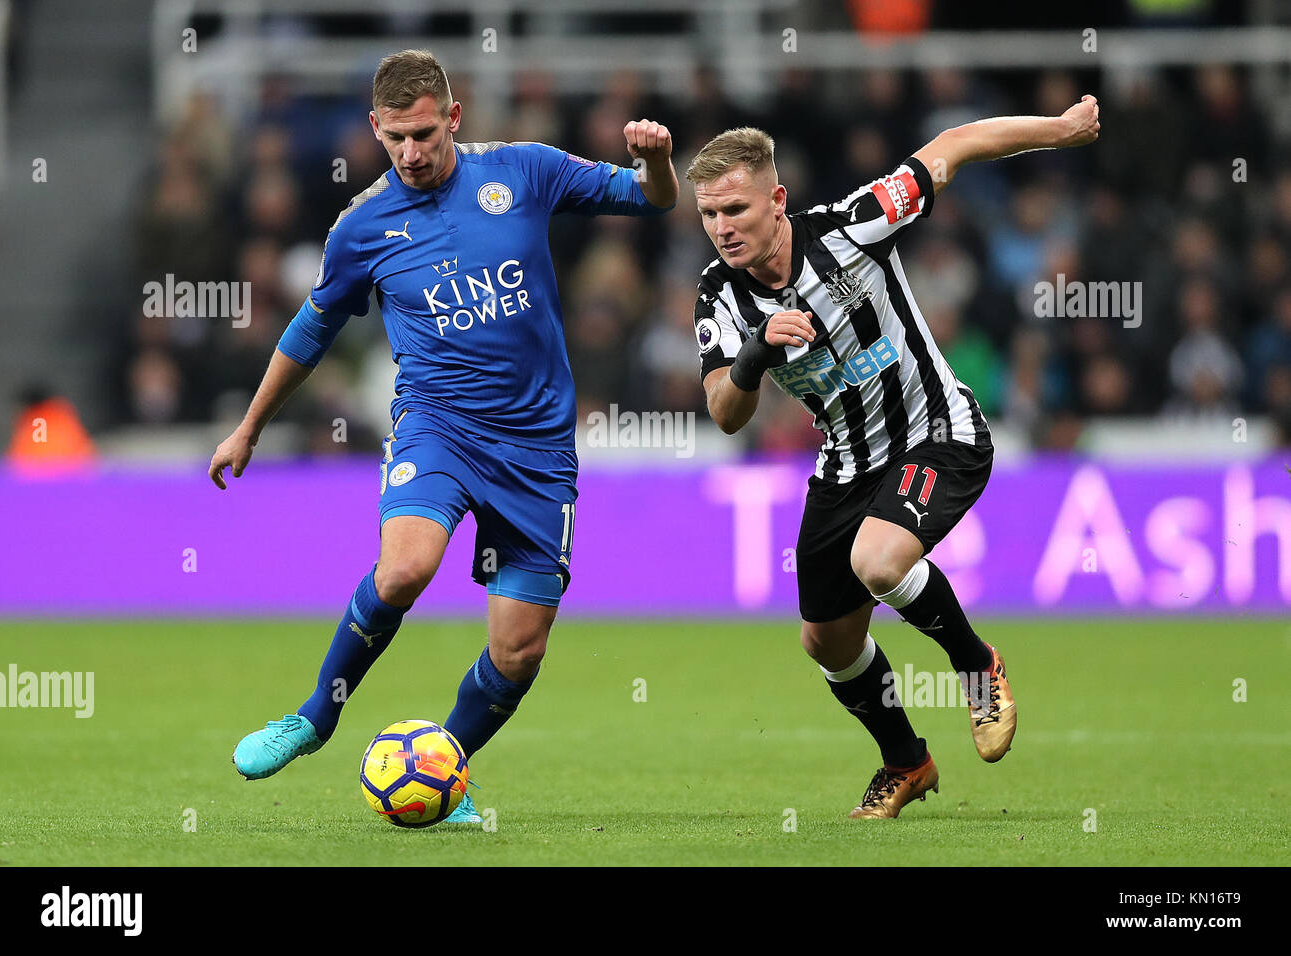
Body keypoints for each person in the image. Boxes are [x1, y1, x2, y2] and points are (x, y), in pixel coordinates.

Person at [209, 49, 677, 823]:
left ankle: (445, 768)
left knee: (519, 650)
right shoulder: (361, 227)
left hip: (537, 450)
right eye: (395, 138)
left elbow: (651, 201)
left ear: (453, 118)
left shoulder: (524, 171)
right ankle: (313, 717)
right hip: (439, 428)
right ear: (374, 129)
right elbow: (310, 329)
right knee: (404, 572)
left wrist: (658, 163)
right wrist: (249, 427)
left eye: (424, 134)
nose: (411, 153)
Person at [687, 97, 1099, 818]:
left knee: (878, 562)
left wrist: (1058, 132)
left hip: (936, 433)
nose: (723, 228)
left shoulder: (854, 226)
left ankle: (975, 663)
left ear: (777, 200)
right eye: (709, 215)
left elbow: (958, 141)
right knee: (827, 641)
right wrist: (754, 354)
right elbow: (725, 411)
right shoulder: (717, 295)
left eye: (737, 210)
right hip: (847, 463)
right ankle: (906, 760)